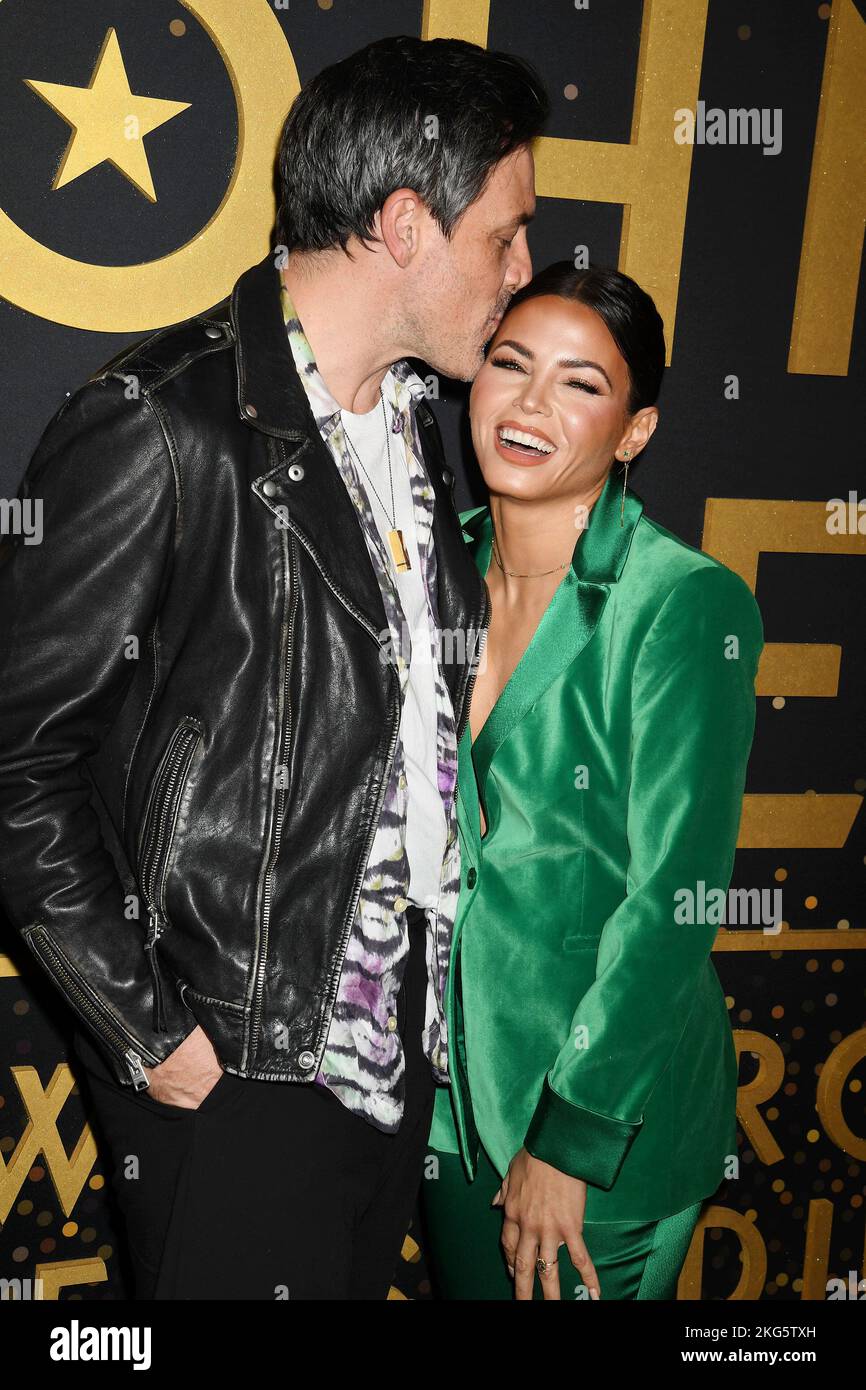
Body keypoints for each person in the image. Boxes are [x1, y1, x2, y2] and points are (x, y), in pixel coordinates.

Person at [0, 36, 547, 1299]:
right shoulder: (158, 423)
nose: (522, 273)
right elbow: (19, 763)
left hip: (387, 1049)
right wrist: (153, 1036)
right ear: (406, 224)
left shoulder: (416, 429)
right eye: (502, 237)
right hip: (234, 1061)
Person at [421, 261, 764, 1301]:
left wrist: (569, 1140)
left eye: (578, 383)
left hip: (596, 1122)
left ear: (633, 430)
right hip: (441, 1101)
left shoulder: (680, 605)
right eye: (509, 365)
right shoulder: (428, 568)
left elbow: (673, 902)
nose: (528, 404)